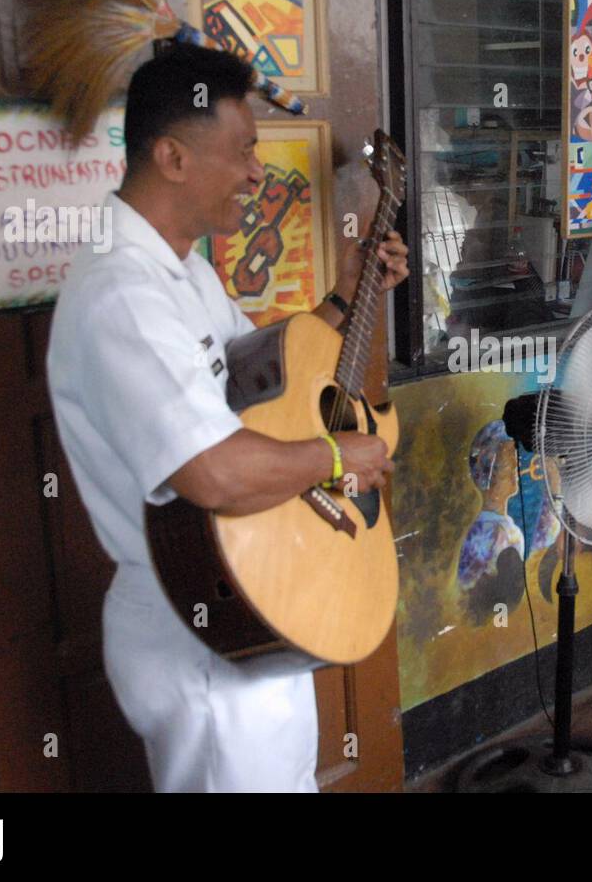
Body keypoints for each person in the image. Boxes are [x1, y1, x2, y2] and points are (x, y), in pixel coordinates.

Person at [46, 42, 408, 789]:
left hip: (246, 598)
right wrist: (339, 458)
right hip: (196, 627)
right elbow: (212, 470)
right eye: (243, 151)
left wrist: (345, 296)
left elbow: (264, 387)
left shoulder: (184, 271)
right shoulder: (124, 296)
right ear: (172, 157)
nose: (255, 172)